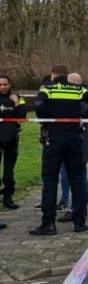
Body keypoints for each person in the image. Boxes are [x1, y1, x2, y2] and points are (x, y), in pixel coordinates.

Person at [30, 65, 88, 236]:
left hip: (54, 138)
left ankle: (48, 224)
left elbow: (38, 104)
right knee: (76, 179)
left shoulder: (48, 88)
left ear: (53, 75)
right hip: (74, 138)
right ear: (67, 75)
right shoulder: (78, 89)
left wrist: (45, 120)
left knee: (50, 181)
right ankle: (79, 223)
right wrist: (83, 117)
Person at [57, 73, 88, 223]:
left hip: (77, 145)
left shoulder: (80, 99)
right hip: (78, 144)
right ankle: (77, 207)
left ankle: (78, 209)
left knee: (78, 178)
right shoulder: (86, 97)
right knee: (76, 176)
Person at [0, 74, 27, 213]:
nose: (3, 87)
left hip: (11, 139)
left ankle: (8, 198)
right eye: (0, 85)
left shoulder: (17, 98)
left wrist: (16, 103)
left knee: (8, 173)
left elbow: (22, 117)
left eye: (5, 84)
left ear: (10, 85)